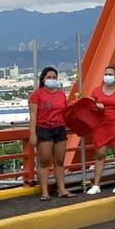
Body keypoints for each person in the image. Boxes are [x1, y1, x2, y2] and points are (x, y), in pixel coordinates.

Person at [86, 63, 115, 195]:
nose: (107, 76)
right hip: (101, 125)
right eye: (106, 74)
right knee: (100, 154)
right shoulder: (96, 91)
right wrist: (96, 106)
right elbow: (89, 108)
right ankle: (96, 184)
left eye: (110, 74)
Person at [28, 67, 72, 201]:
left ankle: (61, 189)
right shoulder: (37, 94)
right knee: (44, 161)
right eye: (49, 77)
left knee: (59, 161)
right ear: (43, 79)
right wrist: (33, 133)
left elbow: (65, 112)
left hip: (59, 128)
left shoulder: (61, 94)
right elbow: (33, 116)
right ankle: (45, 191)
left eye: (54, 77)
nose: (52, 80)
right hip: (44, 129)